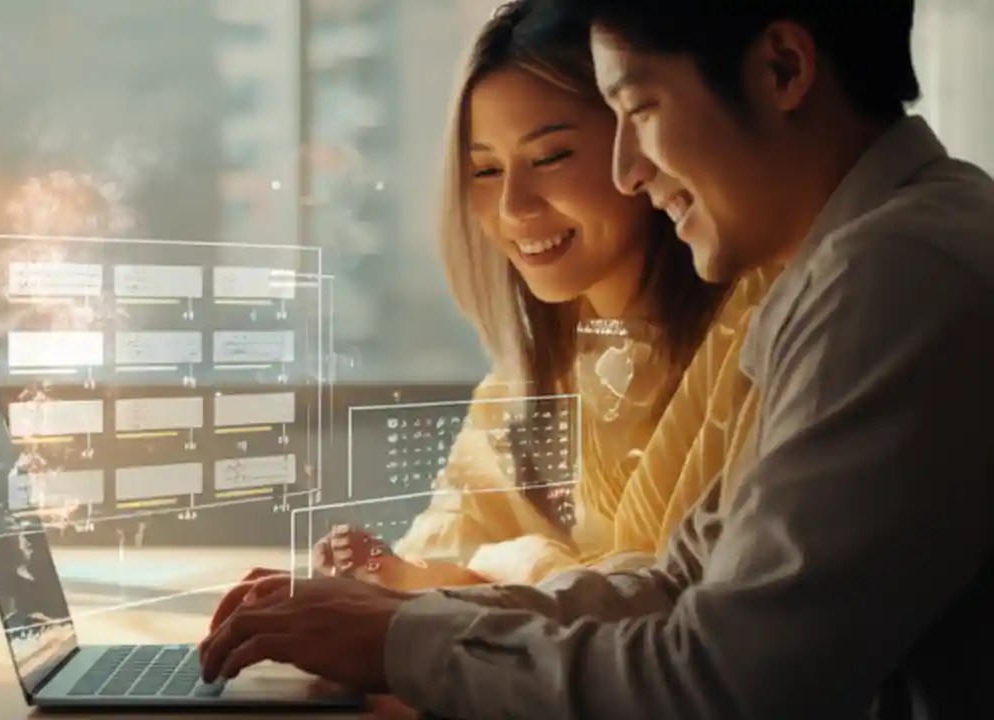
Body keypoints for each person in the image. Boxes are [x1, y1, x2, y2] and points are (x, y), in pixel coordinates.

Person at [199, 0, 994, 717]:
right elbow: (681, 586)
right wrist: (400, 621)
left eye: (640, 110)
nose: (628, 172)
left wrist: (400, 641)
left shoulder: (894, 276)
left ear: (783, 69)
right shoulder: (863, 267)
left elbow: (724, 682)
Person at [313, 0, 775, 592]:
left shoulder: (753, 326)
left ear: (637, 141)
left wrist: (507, 565)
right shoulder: (534, 374)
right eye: (485, 171)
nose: (514, 208)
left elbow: (666, 601)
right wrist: (377, 571)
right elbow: (444, 549)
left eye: (551, 157)